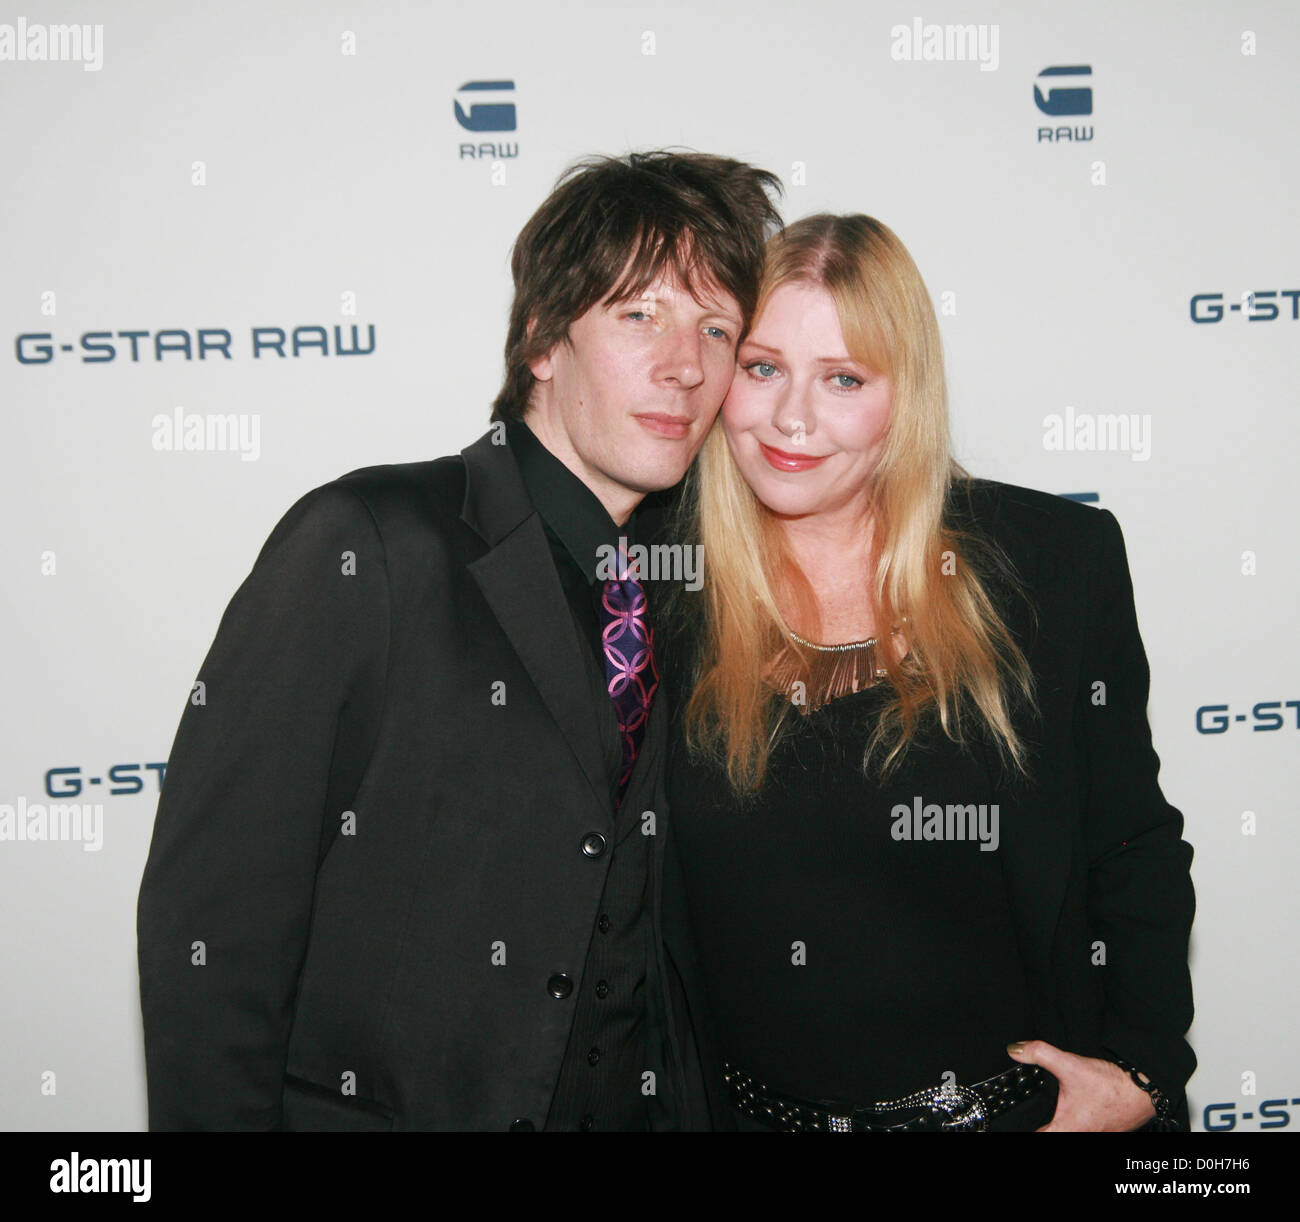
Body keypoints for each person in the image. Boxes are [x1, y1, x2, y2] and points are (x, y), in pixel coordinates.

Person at [136, 150, 784, 1130]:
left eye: (715, 328)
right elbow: (211, 925)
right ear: (540, 338)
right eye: (638, 315)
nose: (683, 364)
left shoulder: (694, 585)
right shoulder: (370, 542)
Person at [658, 213, 1196, 1132]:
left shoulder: (1054, 564)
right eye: (762, 367)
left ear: (904, 396)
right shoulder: (660, 588)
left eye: (843, 379)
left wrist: (1142, 1075)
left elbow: (1132, 845)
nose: (793, 416)